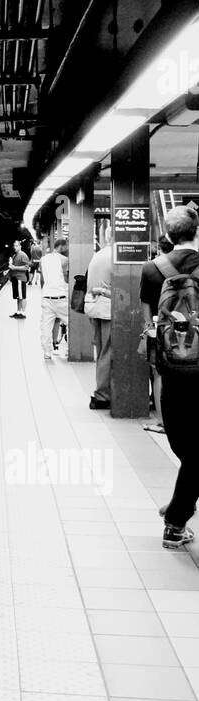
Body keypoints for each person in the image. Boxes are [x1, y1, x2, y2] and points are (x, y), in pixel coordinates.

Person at [146, 205, 199, 549]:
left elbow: (151, 323)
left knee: (184, 444)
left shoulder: (153, 270)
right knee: (196, 454)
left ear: (167, 234)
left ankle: (179, 508)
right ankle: (177, 517)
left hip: (171, 371)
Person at [139, 233, 175, 433]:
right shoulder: (194, 264)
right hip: (190, 328)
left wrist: (148, 328)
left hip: (159, 326)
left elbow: (144, 301)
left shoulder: (151, 268)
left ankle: (163, 422)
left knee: (159, 372)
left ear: (160, 249)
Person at [84, 235, 112, 408]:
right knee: (109, 353)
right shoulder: (116, 257)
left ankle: (101, 392)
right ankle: (103, 395)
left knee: (102, 351)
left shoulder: (98, 255)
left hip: (94, 307)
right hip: (108, 309)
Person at [39, 238, 69, 358]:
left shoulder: (43, 259)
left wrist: (45, 291)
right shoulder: (64, 260)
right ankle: (69, 349)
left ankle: (47, 352)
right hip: (60, 297)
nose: (67, 249)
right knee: (71, 322)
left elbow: (42, 279)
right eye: (66, 246)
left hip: (46, 297)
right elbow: (66, 279)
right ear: (61, 247)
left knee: (46, 326)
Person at [7, 239, 30, 318]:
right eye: (14, 246)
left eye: (17, 246)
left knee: (22, 296)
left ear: (20, 246)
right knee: (18, 297)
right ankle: (18, 311)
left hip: (20, 278)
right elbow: (13, 266)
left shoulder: (23, 255)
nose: (15, 247)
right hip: (16, 278)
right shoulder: (15, 255)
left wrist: (14, 267)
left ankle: (23, 313)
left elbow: (26, 267)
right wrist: (8, 271)